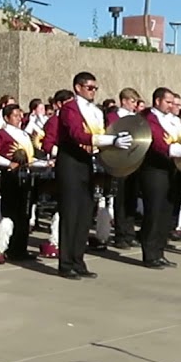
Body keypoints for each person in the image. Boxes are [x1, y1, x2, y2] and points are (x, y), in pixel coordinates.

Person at [56, 73, 132, 279]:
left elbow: (103, 133)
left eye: (95, 88)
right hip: (70, 161)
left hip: (86, 162)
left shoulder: (96, 111)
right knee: (71, 213)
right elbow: (76, 134)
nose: (93, 91)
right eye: (89, 87)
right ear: (78, 87)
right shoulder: (69, 108)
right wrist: (110, 141)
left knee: (85, 213)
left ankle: (78, 261)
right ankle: (65, 263)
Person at [139, 88, 181, 269]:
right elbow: (160, 144)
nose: (172, 106)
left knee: (167, 212)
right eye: (168, 102)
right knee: (154, 212)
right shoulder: (149, 118)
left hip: (172, 170)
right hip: (154, 170)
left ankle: (160, 251)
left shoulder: (173, 120)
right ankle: (150, 254)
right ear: (158, 101)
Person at [0, 103, 40, 260]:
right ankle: (5, 247)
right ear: (7, 118)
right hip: (10, 178)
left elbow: (29, 158)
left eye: (20, 115)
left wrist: (44, 164)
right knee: (11, 213)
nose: (19, 118)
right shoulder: (2, 134)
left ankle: (20, 248)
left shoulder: (24, 135)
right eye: (15, 116)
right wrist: (9, 164)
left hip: (26, 176)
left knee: (25, 214)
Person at [105, 87, 142, 249]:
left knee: (131, 198)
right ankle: (120, 235)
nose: (134, 105)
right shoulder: (113, 117)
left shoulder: (136, 118)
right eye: (132, 101)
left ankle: (129, 232)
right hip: (119, 161)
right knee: (120, 199)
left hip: (134, 161)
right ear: (124, 101)